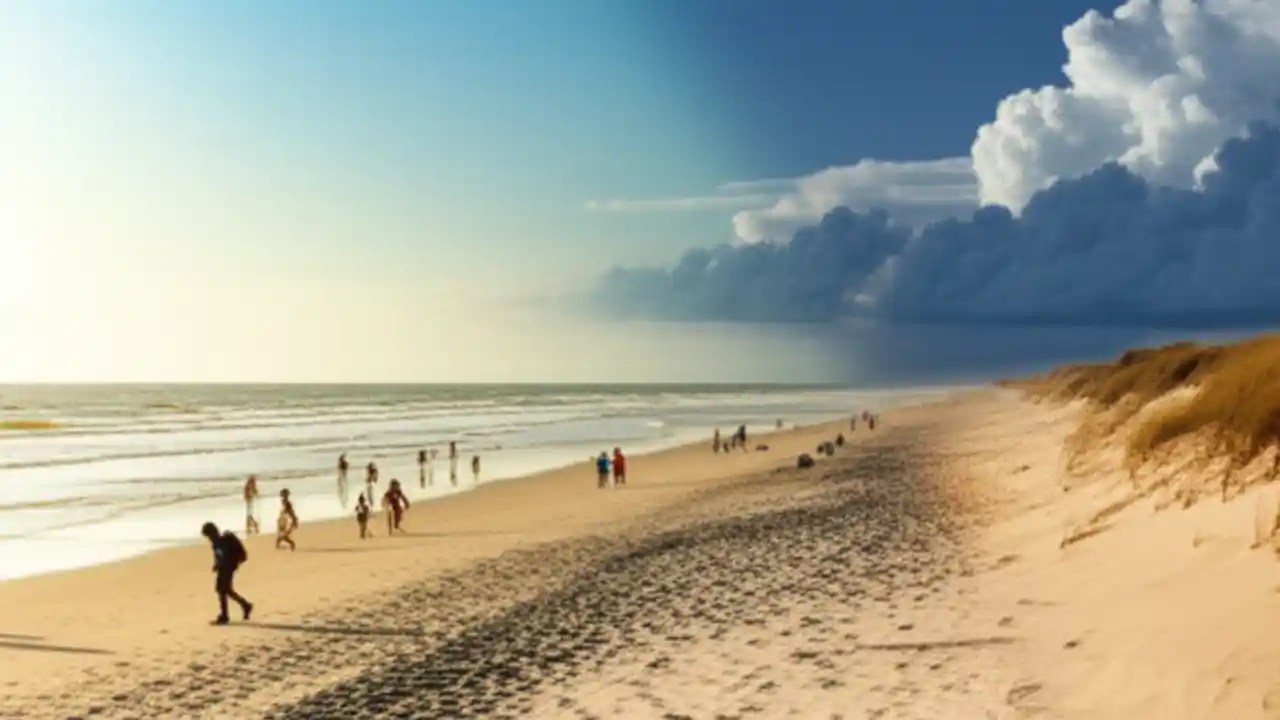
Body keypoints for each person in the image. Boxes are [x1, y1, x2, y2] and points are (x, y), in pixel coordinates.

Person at [201, 521, 252, 625]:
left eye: (208, 535)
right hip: (227, 567)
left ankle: (225, 615)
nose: (208, 538)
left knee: (222, 590)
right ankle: (244, 605)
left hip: (227, 568)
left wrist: (219, 565)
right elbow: (219, 555)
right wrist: (216, 565)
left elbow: (223, 556)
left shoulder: (220, 541)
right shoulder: (217, 541)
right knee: (225, 590)